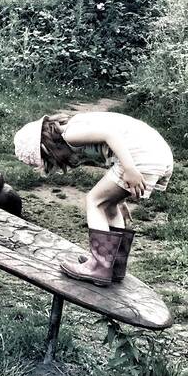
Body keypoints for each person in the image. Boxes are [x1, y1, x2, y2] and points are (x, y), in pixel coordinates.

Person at [14, 111, 173, 286]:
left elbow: (109, 134)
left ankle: (99, 266)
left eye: (48, 159)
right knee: (109, 205)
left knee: (94, 201)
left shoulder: (71, 134)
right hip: (156, 154)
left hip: (141, 158)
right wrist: (119, 198)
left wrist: (129, 169)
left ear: (46, 147)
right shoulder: (78, 123)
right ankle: (114, 265)